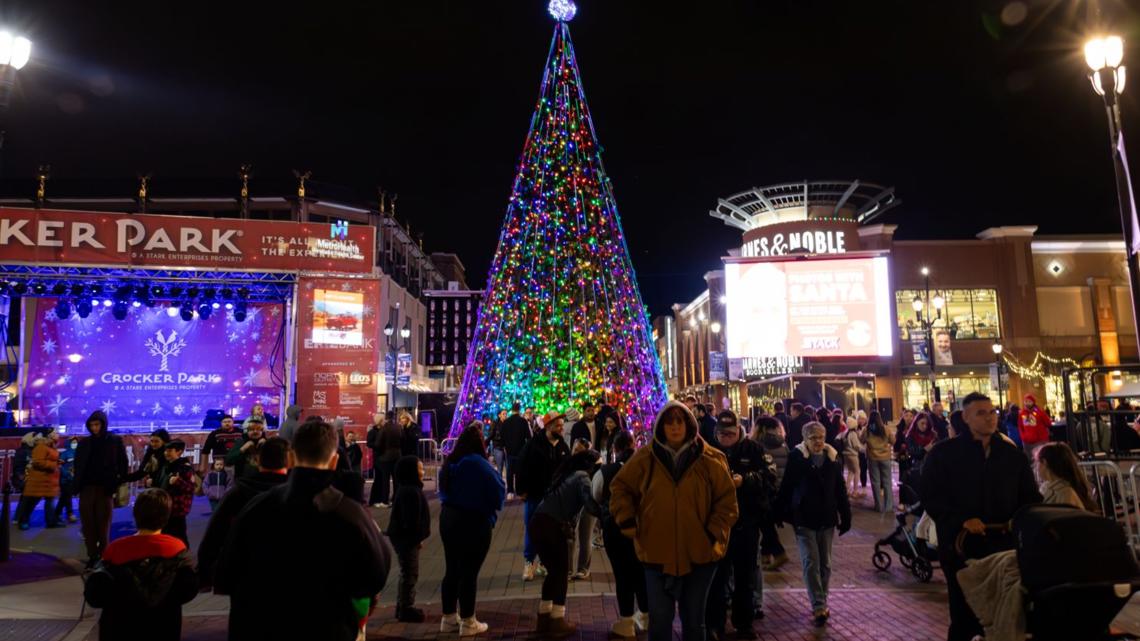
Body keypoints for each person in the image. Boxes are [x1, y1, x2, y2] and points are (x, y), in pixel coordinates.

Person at [216, 420, 392, 641]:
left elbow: (227, 568)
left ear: (290, 458)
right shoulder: (350, 514)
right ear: (334, 462)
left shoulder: (256, 508)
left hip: (258, 625)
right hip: (326, 627)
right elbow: (375, 573)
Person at [609, 400, 739, 641]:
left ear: (689, 424)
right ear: (661, 427)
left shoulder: (711, 459)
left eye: (680, 421)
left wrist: (712, 533)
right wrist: (627, 520)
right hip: (656, 552)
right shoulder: (645, 458)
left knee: (694, 621)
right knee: (659, 620)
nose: (675, 427)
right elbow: (620, 488)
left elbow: (727, 501)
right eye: (669, 422)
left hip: (700, 553)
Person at [921, 391, 1042, 641]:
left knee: (1006, 615)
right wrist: (961, 521)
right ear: (965, 417)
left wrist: (1019, 520)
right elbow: (932, 496)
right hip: (961, 547)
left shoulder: (1011, 455)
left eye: (992, 412)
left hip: (1004, 548)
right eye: (981, 413)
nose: (989, 418)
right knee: (964, 616)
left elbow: (1030, 498)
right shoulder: (944, 454)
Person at [83, 488, 198, 641]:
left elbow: (96, 596)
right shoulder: (177, 550)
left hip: (120, 627)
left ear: (136, 514)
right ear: (166, 517)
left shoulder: (116, 549)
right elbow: (188, 591)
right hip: (163, 626)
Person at [706, 410, 776, 640]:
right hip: (718, 525)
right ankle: (715, 624)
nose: (725, 438)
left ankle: (743, 623)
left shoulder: (753, 449)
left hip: (746, 523)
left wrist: (745, 480)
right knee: (717, 578)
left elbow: (769, 477)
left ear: (738, 431)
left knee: (745, 576)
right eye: (721, 434)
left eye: (730, 433)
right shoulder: (709, 451)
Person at [774, 421, 851, 627]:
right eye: (813, 437)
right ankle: (818, 605)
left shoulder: (833, 458)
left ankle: (822, 599)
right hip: (804, 518)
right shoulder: (797, 457)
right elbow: (787, 485)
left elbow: (840, 489)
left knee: (825, 564)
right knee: (811, 562)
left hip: (827, 518)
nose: (818, 441)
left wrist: (846, 515)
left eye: (821, 437)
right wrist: (779, 511)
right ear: (805, 439)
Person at [437, 421, 506, 636]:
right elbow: (498, 491)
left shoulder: (451, 462)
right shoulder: (477, 463)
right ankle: (468, 621)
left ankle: (448, 617)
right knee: (469, 572)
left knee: (452, 569)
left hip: (449, 518)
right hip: (473, 521)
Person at [197, 437, 291, 591]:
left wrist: (206, 577)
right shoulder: (297, 492)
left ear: (257, 460)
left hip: (244, 575)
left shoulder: (238, 493)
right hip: (287, 575)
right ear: (290, 460)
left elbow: (214, 535)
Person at [528, 448, 602, 636]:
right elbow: (590, 504)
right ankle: (557, 619)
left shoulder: (567, 475)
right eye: (598, 467)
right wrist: (605, 512)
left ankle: (544, 616)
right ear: (591, 466)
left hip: (538, 522)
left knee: (553, 572)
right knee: (561, 573)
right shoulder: (582, 477)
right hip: (552, 526)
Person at [594, 430, 649, 639]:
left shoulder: (607, 471)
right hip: (642, 527)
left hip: (615, 528)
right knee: (642, 571)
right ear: (633, 444)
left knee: (622, 574)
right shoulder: (646, 467)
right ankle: (646, 615)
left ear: (614, 449)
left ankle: (626, 621)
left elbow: (596, 494)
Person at [517, 410, 572, 581]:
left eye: (562, 425)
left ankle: (543, 563)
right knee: (532, 529)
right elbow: (522, 466)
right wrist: (522, 490)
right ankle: (529, 562)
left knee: (551, 531)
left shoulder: (563, 446)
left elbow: (567, 470)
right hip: (535, 495)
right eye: (558, 425)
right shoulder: (534, 444)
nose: (561, 428)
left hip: (555, 497)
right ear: (548, 426)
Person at [75, 410, 128, 568]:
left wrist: (117, 481)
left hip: (105, 488)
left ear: (103, 424)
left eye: (97, 424)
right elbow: (78, 464)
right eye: (91, 425)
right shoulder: (84, 443)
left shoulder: (114, 441)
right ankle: (92, 556)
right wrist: (76, 484)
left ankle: (104, 556)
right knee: (88, 524)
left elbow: (123, 463)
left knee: (103, 525)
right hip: (87, 488)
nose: (94, 428)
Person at [388, 455, 431, 623]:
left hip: (405, 538)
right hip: (406, 539)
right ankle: (406, 607)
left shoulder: (408, 489)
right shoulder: (410, 492)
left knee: (407, 572)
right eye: (420, 468)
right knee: (410, 573)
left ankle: (402, 606)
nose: (423, 471)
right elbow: (411, 521)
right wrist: (417, 538)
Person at [752, 416, 789, 570]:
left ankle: (779, 553)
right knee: (767, 522)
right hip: (780, 492)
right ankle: (765, 555)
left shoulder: (757, 446)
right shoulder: (784, 445)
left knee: (765, 524)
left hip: (764, 492)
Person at [568, 437, 599, 581]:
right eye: (575, 449)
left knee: (585, 535)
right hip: (572, 501)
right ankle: (568, 569)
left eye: (579, 450)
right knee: (570, 536)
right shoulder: (569, 463)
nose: (576, 453)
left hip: (588, 503)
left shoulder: (592, 465)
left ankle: (583, 568)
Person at [17, 432, 62, 530]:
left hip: (48, 480)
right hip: (39, 480)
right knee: (32, 502)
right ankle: (23, 521)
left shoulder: (51, 447)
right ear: (50, 436)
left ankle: (51, 521)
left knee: (49, 501)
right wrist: (54, 465)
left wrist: (57, 463)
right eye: (55, 434)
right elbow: (38, 462)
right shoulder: (41, 447)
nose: (58, 436)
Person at [1036, 442, 1098, 511]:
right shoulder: (1047, 487)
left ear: (1045, 462)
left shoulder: (1066, 494)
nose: (1036, 467)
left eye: (1037, 462)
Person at [159, 440, 195, 547]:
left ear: (179, 451)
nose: (166, 453)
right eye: (165, 450)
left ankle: (184, 554)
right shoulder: (166, 465)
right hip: (166, 507)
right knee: (165, 535)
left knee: (180, 536)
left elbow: (190, 488)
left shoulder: (185, 467)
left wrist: (178, 481)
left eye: (170, 451)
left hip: (178, 509)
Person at [865, 410, 895, 513]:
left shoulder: (867, 430)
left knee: (875, 482)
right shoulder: (886, 429)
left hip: (872, 458)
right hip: (885, 458)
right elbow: (893, 441)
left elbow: (861, 440)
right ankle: (888, 506)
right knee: (887, 482)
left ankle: (878, 505)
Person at [501, 402, 532, 499]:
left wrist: (505, 447)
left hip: (509, 451)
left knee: (509, 471)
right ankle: (519, 490)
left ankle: (510, 491)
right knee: (520, 471)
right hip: (521, 450)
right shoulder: (523, 421)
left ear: (512, 410)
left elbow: (502, 437)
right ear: (519, 410)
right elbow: (529, 437)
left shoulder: (506, 422)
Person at [371, 416, 403, 507]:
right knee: (396, 480)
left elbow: (378, 444)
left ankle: (385, 501)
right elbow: (403, 440)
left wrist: (380, 452)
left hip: (386, 458)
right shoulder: (398, 428)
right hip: (397, 456)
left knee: (385, 480)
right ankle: (396, 499)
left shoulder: (384, 429)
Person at [905, 411, 938, 481]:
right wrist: (925, 449)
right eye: (922, 423)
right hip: (916, 469)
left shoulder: (933, 435)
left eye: (926, 424)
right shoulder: (911, 436)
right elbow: (913, 453)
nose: (925, 426)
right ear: (916, 423)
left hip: (932, 468)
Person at [54, 436, 79, 524]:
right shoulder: (64, 454)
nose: (75, 444)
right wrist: (67, 474)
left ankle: (57, 514)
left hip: (73, 479)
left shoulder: (78, 453)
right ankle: (69, 514)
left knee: (64, 497)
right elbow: (60, 466)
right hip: (65, 480)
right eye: (73, 442)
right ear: (69, 443)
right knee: (67, 496)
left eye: (76, 442)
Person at [1018, 394, 1051, 458]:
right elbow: (1020, 426)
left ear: (1033, 402)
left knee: (1040, 458)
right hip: (1027, 442)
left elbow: (1048, 423)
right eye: (1026, 401)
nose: (1027, 403)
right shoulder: (1022, 413)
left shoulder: (1039, 412)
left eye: (1029, 401)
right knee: (1029, 459)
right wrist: (1023, 437)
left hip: (1040, 441)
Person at [840, 416, 864, 499]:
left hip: (846, 454)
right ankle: (855, 491)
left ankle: (846, 490)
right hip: (853, 455)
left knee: (850, 472)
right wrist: (864, 449)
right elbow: (856, 446)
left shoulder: (845, 432)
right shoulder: (852, 433)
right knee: (857, 471)